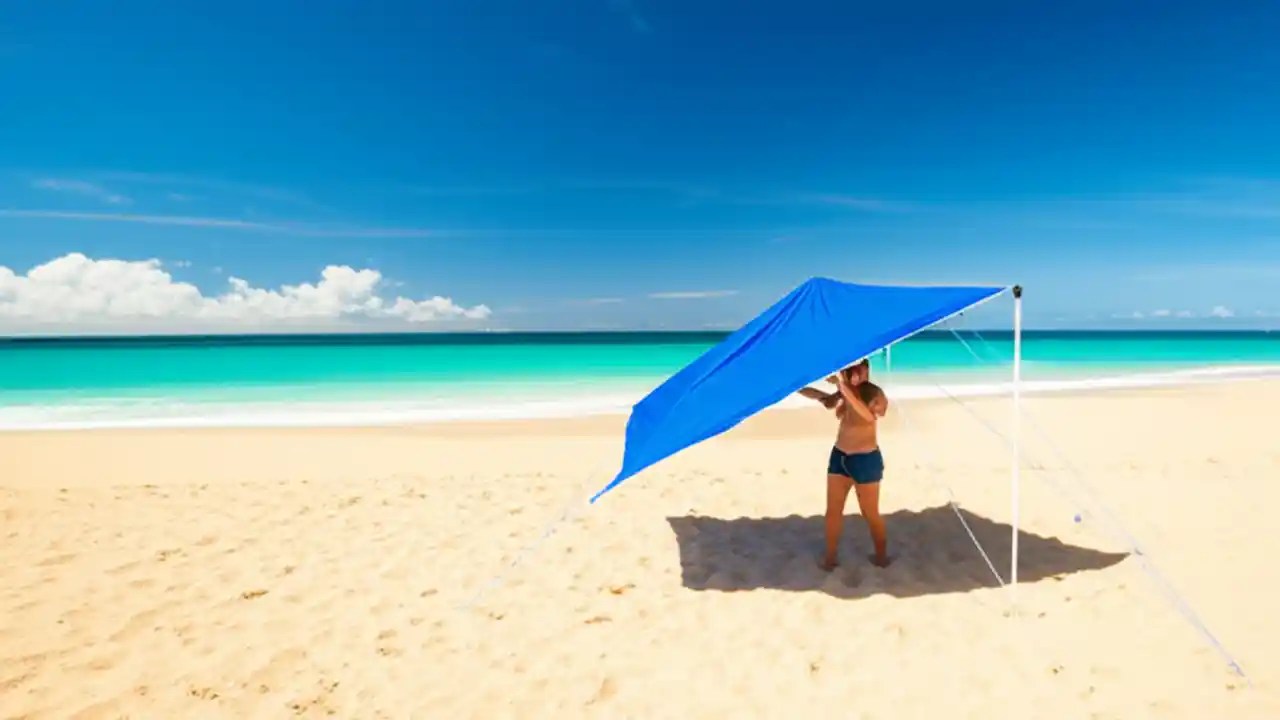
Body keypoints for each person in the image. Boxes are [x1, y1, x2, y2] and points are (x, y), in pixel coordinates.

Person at [797, 359, 891, 570]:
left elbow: (868, 416)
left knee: (870, 512)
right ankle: (830, 558)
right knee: (833, 511)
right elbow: (823, 399)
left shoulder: (874, 394)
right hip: (839, 456)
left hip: (865, 460)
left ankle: (881, 556)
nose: (861, 375)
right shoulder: (843, 393)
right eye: (855, 372)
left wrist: (842, 385)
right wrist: (795, 386)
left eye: (863, 371)